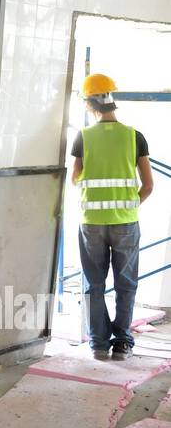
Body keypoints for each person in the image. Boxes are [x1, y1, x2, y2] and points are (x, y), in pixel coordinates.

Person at [71, 73, 153, 359]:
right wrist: (129, 206)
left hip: (91, 224)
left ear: (89, 104)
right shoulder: (134, 137)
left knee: (94, 284)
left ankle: (98, 344)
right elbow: (148, 186)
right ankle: (122, 343)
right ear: (112, 101)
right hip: (125, 223)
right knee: (126, 284)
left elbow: (75, 178)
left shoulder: (84, 137)